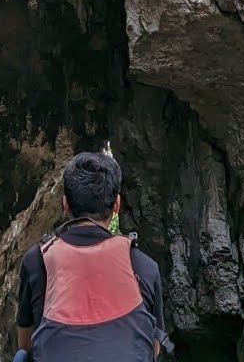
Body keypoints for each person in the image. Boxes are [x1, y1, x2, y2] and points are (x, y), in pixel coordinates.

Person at [15, 152, 166, 361]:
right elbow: (154, 348)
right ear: (117, 204)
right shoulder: (144, 265)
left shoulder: (37, 260)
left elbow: (26, 342)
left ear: (65, 203)